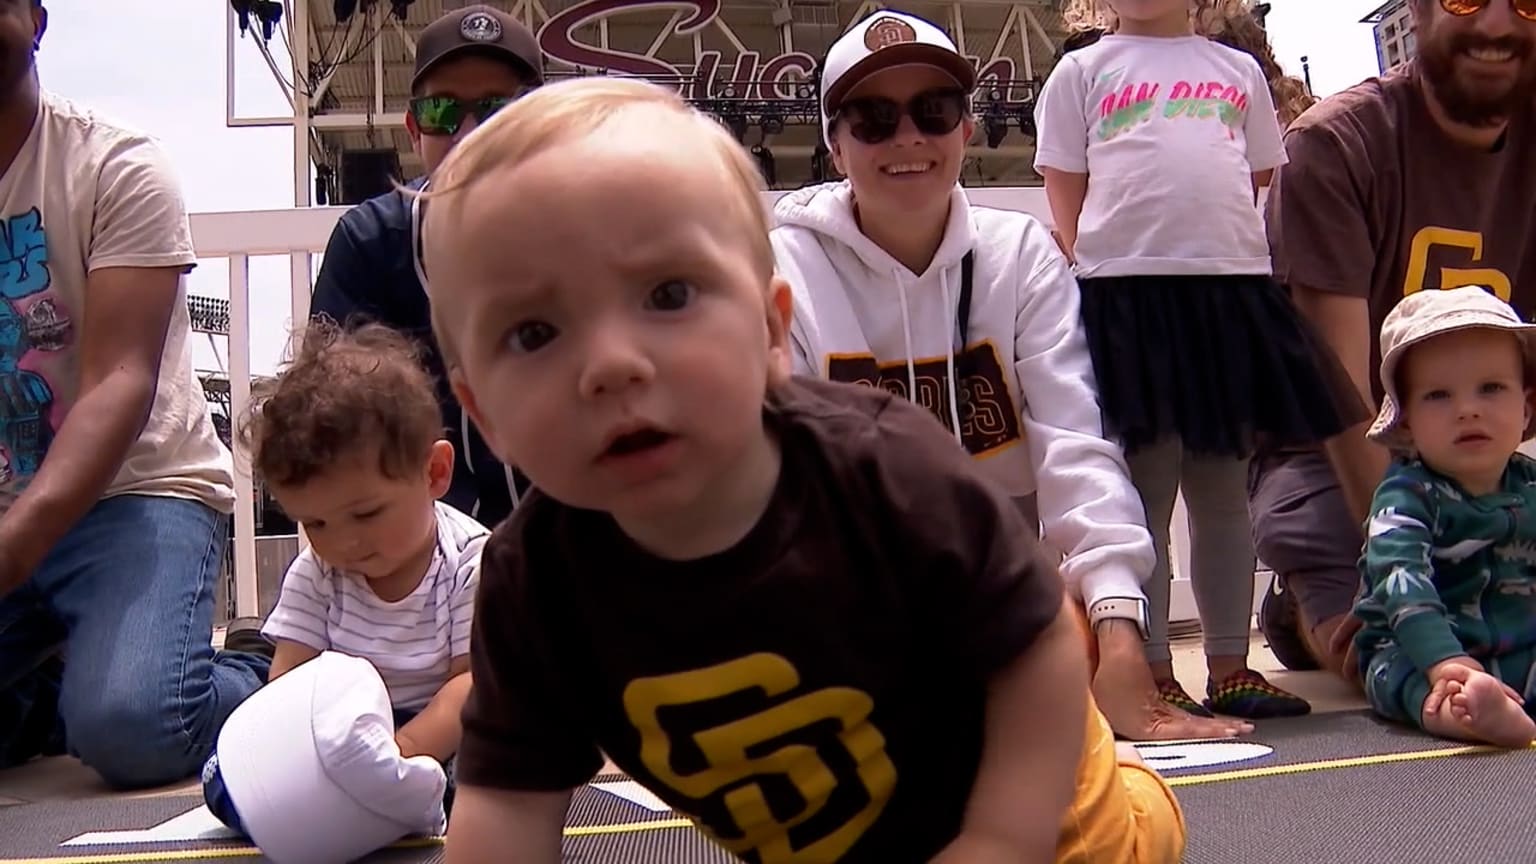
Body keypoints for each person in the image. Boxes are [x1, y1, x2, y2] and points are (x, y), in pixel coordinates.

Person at [418, 77, 1186, 863]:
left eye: (668, 293)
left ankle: (1143, 807)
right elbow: (504, 808)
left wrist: (999, 839)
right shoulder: (535, 587)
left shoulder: (882, 472)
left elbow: (1043, 643)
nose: (611, 364)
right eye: (536, 332)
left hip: (1043, 806)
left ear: (773, 332)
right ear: (481, 413)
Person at [772, 9, 1247, 741]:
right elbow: (788, 491)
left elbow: (1076, 441)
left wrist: (1119, 629)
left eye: (934, 112)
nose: (908, 138)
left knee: (1067, 669)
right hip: (855, 603)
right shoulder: (786, 269)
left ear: (967, 129)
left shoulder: (1019, 253)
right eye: (872, 118)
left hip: (1003, 595)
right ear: (835, 145)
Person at [1037, 0, 1365, 719]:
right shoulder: (1080, 72)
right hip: (1125, 298)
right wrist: (1104, 264)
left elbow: (1250, 179)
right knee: (1143, 488)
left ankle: (1230, 662)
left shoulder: (1236, 71)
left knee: (1223, 488)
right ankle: (1150, 666)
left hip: (1227, 295)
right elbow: (1066, 186)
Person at [0, 1, 271, 789]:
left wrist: (16, 546)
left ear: (39, 20)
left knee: (135, 729)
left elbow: (121, 380)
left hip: (139, 493)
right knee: (98, 707)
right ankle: (62, 690)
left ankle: (262, 670)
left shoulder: (115, 164)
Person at [1251, 0, 1536, 681]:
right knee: (1390, 654)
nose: (1496, 25)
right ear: (1414, 8)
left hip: (1493, 456)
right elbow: (1343, 395)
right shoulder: (1335, 145)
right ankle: (1298, 608)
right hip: (1342, 465)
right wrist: (1407, 571)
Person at [310, 4, 544, 529]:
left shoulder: (598, 227)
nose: (467, 132)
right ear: (415, 130)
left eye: (496, 110)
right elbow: (331, 422)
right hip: (419, 550)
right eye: (442, 112)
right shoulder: (370, 242)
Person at [240, 320, 487, 805]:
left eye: (367, 513)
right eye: (316, 524)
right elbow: (290, 682)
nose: (345, 543)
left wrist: (404, 750)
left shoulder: (469, 562)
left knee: (492, 764)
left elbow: (471, 684)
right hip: (350, 731)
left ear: (434, 473)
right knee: (234, 778)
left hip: (444, 724)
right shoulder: (318, 572)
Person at [1354, 285, 1536, 748]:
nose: (1468, 409)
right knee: (1400, 681)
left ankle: (1500, 703)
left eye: (1491, 388)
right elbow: (1401, 581)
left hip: (1519, 641)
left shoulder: (1529, 484)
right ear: (1408, 422)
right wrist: (1444, 663)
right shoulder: (1406, 496)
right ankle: (1467, 717)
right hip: (1417, 647)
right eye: (1438, 395)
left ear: (1526, 408)